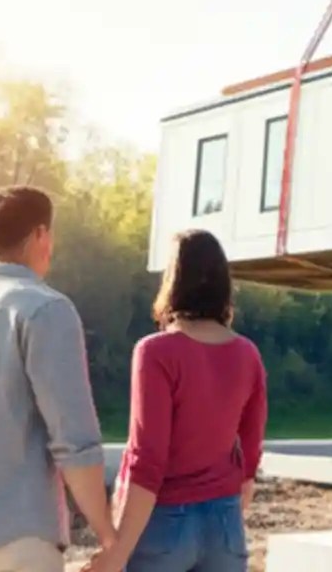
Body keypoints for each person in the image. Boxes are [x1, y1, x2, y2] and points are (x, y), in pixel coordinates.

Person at [0, 185, 115, 572]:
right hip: (17, 534)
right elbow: (73, 440)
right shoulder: (45, 309)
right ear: (41, 235)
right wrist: (108, 536)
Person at [85, 229, 268, 572]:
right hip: (225, 525)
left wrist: (116, 552)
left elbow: (148, 459)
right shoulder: (248, 355)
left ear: (173, 281)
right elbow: (250, 453)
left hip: (165, 524)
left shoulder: (156, 352)